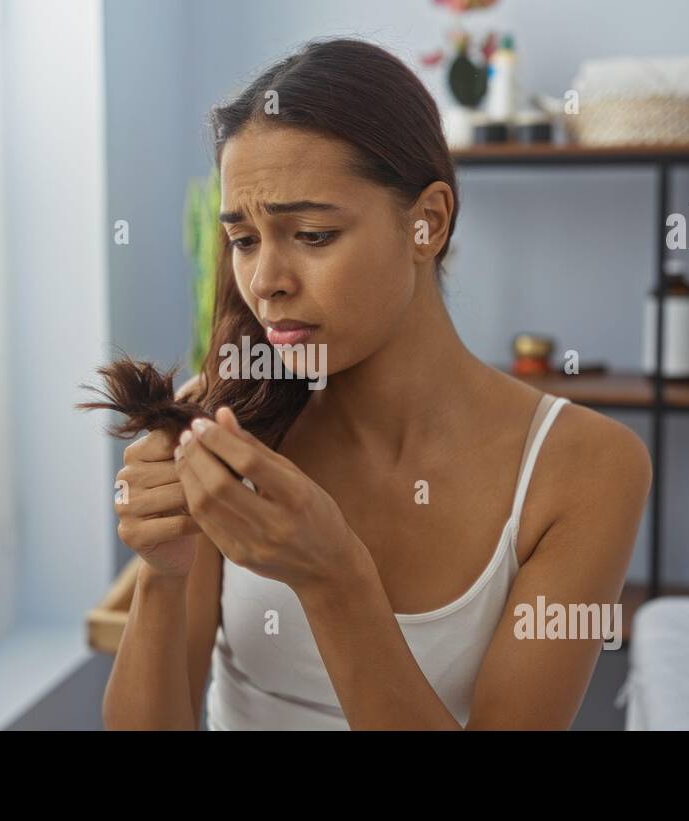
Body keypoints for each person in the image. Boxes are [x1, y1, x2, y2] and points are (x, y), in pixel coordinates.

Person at [98, 37, 651, 730]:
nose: (267, 280)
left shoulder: (589, 468)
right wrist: (162, 571)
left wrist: (335, 579)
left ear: (429, 222)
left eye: (313, 234)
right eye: (244, 240)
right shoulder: (227, 418)